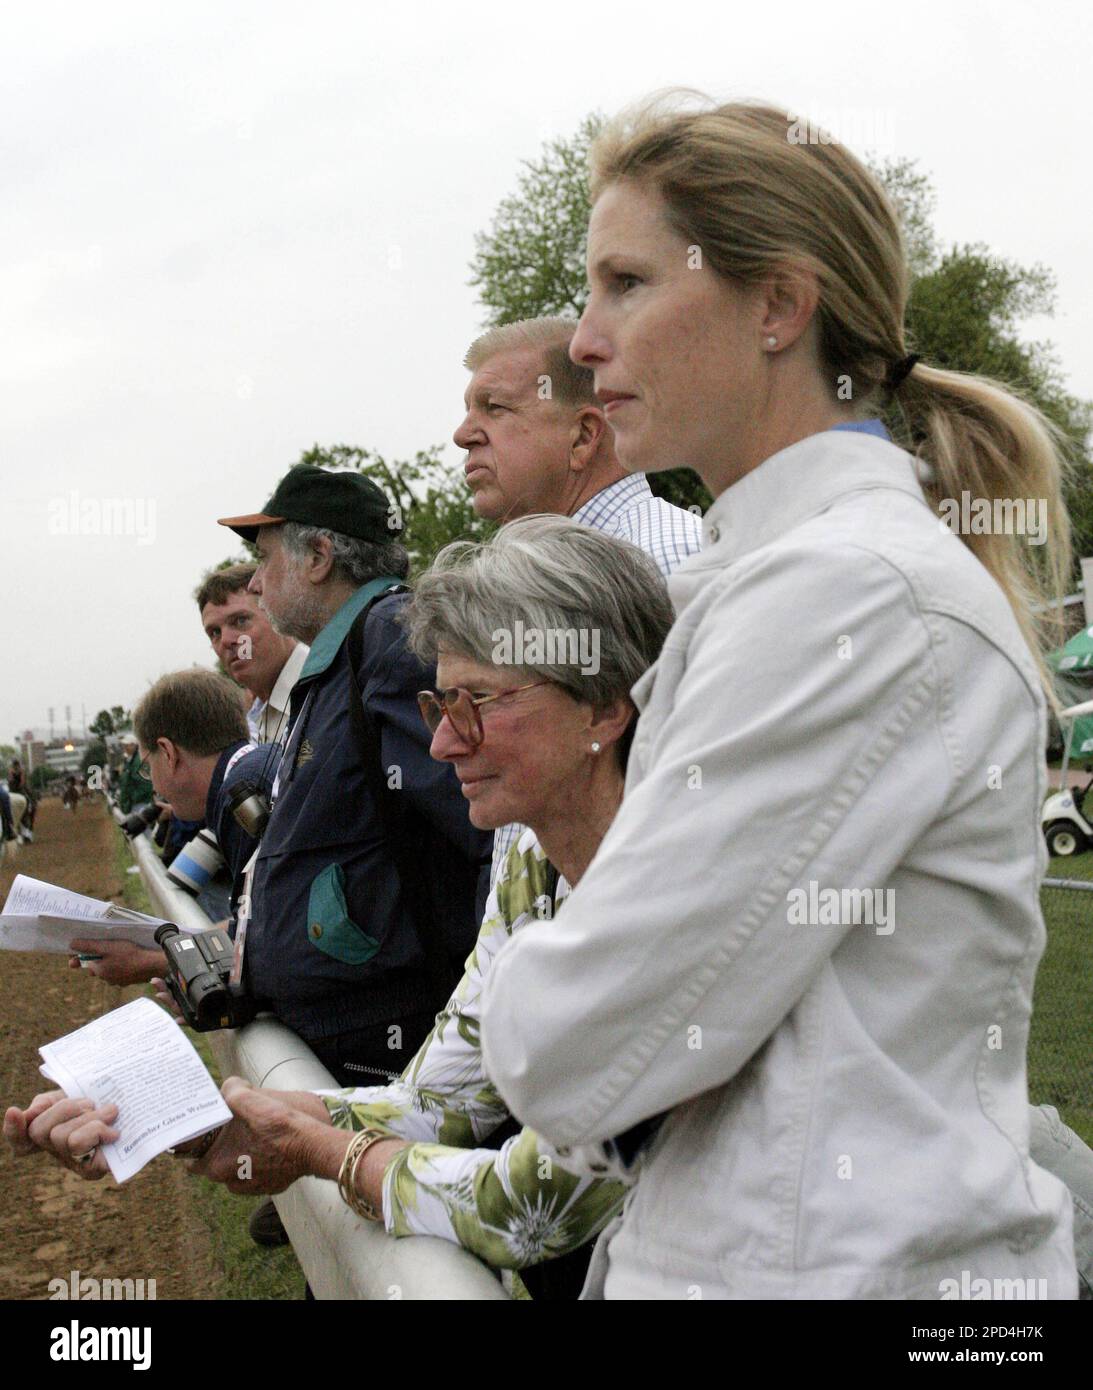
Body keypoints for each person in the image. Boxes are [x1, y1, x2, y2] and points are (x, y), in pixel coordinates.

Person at [478, 97, 1079, 1299]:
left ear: (777, 305)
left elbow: (579, 1049)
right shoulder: (780, 576)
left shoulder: (843, 594)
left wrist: (529, 976)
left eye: (625, 283)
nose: (585, 342)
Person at [5, 518, 677, 1299]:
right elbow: (435, 1102)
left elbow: (534, 1207)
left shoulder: (673, 879)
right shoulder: (531, 854)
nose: (441, 745)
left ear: (602, 708)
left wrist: (318, 1152)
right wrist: (192, 1121)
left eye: (479, 702)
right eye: (439, 704)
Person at [214, 463, 493, 1083]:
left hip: (392, 1032)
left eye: (265, 561)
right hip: (350, 1025)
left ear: (318, 555)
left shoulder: (390, 638)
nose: (256, 583)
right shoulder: (344, 655)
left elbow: (479, 825)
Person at [458, 316, 703, 881]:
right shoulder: (526, 581)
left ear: (584, 436)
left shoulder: (668, 570)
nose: (463, 434)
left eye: (494, 408)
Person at [69, 669, 276, 987]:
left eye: (146, 765)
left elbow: (270, 938)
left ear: (167, 752)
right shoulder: (256, 768)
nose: (149, 778)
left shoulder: (238, 793)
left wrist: (152, 963)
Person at [195, 563, 308, 745]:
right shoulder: (249, 723)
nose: (226, 640)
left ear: (278, 614)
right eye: (214, 632)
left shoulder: (331, 687)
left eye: (240, 621)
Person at [113, 733, 154, 814]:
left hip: (141, 804)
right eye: (124, 745)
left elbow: (146, 785)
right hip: (135, 804)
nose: (124, 747)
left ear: (134, 745)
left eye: (127, 745)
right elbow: (126, 781)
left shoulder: (138, 761)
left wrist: (131, 799)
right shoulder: (129, 760)